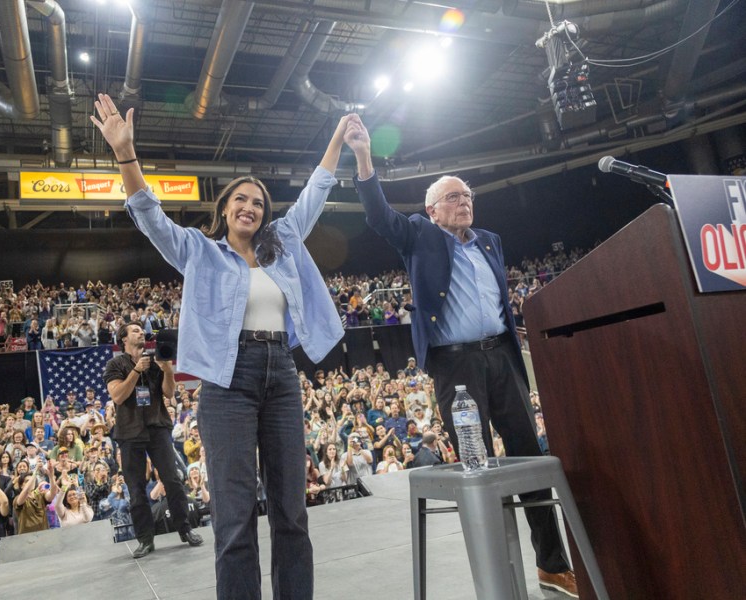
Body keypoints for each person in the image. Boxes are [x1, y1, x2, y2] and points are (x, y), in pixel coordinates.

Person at [91, 93, 349, 600]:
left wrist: (338, 137)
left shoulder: (283, 244)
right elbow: (149, 215)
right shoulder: (199, 251)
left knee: (292, 512)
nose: (250, 207)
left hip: (282, 375)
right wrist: (125, 153)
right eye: (241, 199)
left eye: (259, 202)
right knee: (234, 517)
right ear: (225, 208)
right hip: (227, 382)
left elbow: (316, 190)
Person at [346, 116, 578, 597]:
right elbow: (379, 216)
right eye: (453, 197)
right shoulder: (419, 234)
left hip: (503, 359)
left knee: (529, 458)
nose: (464, 202)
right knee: (477, 465)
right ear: (432, 210)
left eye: (468, 196)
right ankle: (497, 575)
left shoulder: (491, 241)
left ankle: (551, 565)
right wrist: (364, 155)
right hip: (457, 367)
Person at [102, 323, 203, 558]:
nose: (140, 332)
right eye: (135, 330)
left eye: (141, 330)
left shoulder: (155, 359)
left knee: (173, 481)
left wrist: (167, 370)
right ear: (123, 339)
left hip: (157, 427)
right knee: (136, 489)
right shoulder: (115, 364)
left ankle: (185, 530)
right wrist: (136, 371)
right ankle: (146, 540)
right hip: (129, 433)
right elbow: (117, 395)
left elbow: (168, 392)